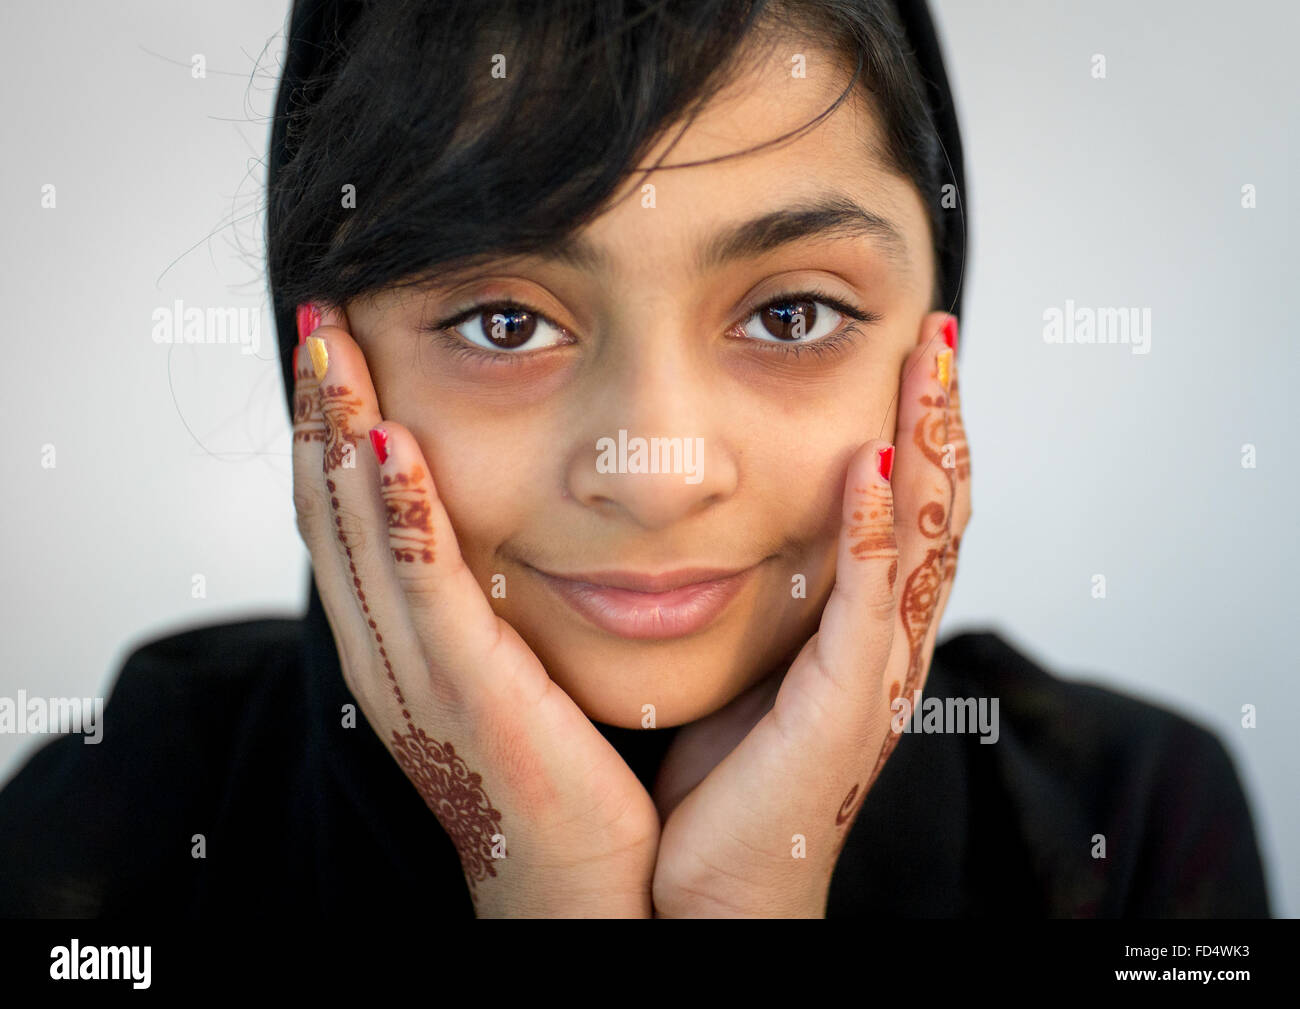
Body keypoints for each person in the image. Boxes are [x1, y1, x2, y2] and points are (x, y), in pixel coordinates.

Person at [0, 0, 1270, 917]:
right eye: (506, 323)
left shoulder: (1129, 831)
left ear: (936, 349)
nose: (657, 471)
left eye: (791, 314)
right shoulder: (118, 830)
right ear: (319, 374)